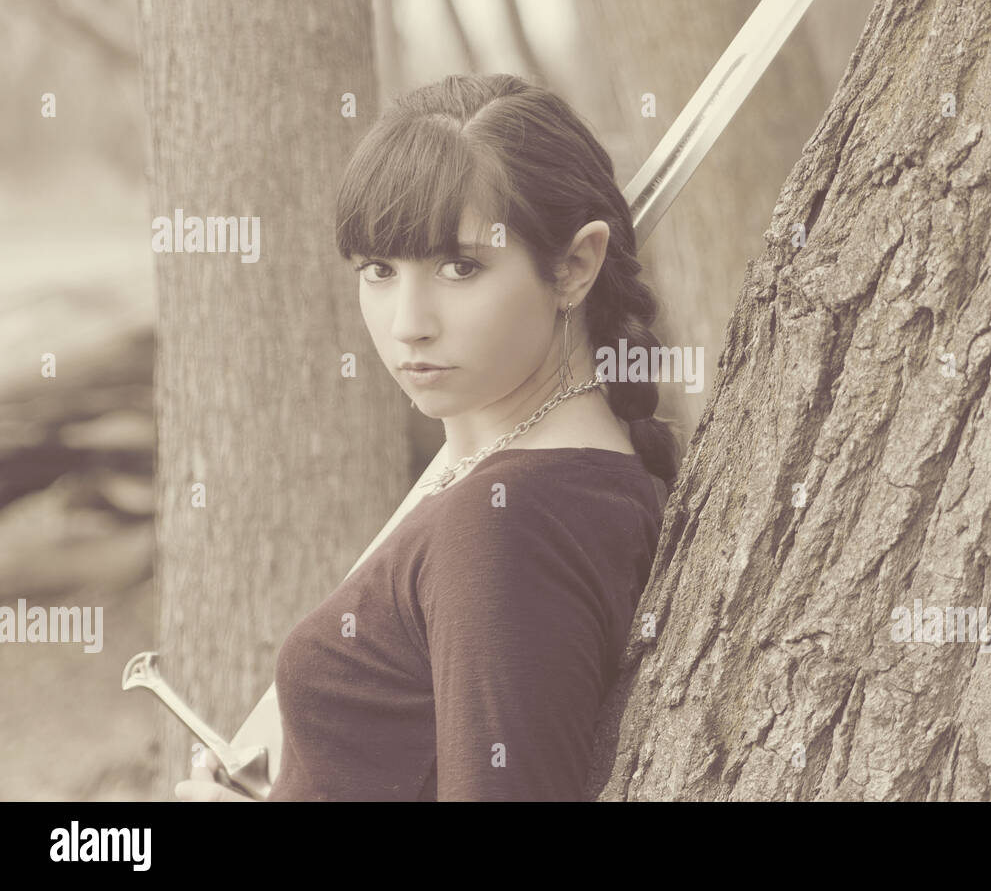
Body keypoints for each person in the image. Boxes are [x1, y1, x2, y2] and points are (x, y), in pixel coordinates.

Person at [175, 74, 679, 801]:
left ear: (575, 266)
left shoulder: (503, 523)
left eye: (459, 267)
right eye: (379, 270)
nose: (409, 321)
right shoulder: (546, 480)